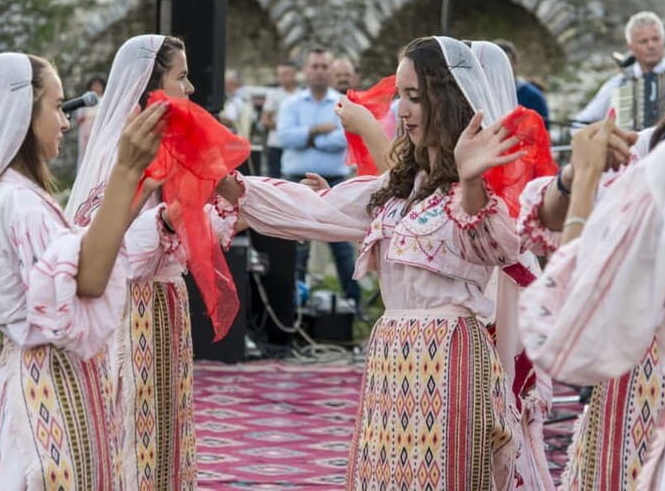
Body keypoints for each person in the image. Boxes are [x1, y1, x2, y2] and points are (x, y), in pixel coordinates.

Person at [216, 36, 527, 489]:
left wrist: (473, 180)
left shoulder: (475, 188)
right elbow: (312, 210)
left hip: (449, 357)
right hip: (391, 355)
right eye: (400, 95)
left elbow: (498, 248)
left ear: (447, 100)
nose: (403, 110)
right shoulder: (399, 187)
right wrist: (223, 180)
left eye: (415, 96)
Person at [519, 0, 665, 489]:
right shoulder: (648, 131)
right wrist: (578, 172)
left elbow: (564, 336)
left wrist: (587, 177)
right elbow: (548, 205)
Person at [0, 52, 168, 488]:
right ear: (23, 114)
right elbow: (87, 281)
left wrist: (127, 208)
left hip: (36, 381)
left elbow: (72, 262)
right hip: (40, 397)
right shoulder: (17, 202)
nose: (65, 122)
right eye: (57, 107)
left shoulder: (16, 195)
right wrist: (124, 171)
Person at [66, 35, 200, 491]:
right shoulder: (123, 151)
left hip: (165, 299)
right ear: (151, 85)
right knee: (135, 425)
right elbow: (99, 237)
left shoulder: (168, 144)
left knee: (166, 424)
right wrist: (166, 222)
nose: (191, 88)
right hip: (133, 307)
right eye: (182, 76)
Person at [277, 46, 360, 309]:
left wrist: (308, 139)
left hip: (334, 181)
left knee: (342, 245)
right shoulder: (290, 104)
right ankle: (293, 305)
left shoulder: (342, 104)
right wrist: (316, 131)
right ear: (306, 70)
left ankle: (354, 304)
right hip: (296, 178)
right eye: (315, 66)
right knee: (297, 245)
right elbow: (285, 137)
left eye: (325, 67)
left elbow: (343, 139)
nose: (320, 72)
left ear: (331, 71)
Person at [575, 11, 665, 125]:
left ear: (663, 41)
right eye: (643, 41)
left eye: (655, 39)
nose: (651, 45)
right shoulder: (618, 84)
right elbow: (580, 123)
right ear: (631, 47)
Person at [494, 40, 550, 128]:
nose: (501, 68)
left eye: (506, 62)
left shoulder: (533, 97)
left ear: (515, 62)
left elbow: (543, 130)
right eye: (496, 63)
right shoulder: (483, 94)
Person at [261, 61, 299, 178]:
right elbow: (265, 120)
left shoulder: (301, 95)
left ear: (294, 75)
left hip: (295, 145)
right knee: (274, 178)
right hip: (276, 144)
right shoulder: (274, 94)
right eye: (280, 74)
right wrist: (285, 128)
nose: (283, 78)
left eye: (286, 74)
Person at [76, 74, 106, 168]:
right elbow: (80, 116)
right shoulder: (86, 98)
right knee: (85, 155)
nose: (96, 87)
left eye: (98, 85)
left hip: (100, 131)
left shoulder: (105, 100)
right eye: (94, 85)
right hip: (86, 131)